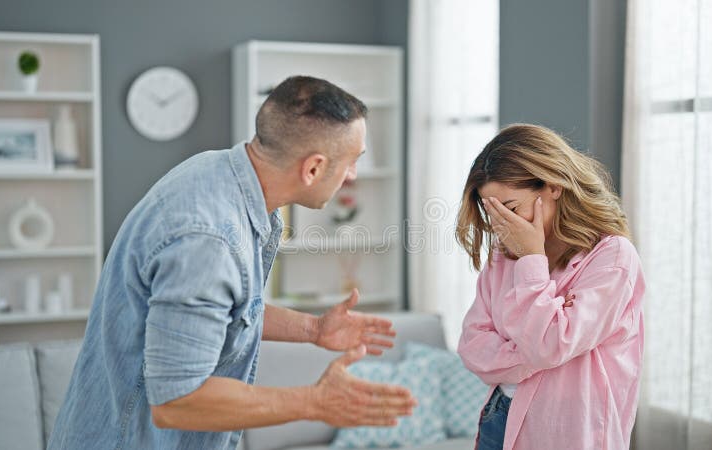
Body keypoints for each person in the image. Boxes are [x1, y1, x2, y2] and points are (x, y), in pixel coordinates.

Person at [48, 76, 416, 449]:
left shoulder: (217, 175)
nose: (352, 175)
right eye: (351, 162)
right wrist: (316, 402)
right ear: (313, 169)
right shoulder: (208, 240)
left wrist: (313, 329)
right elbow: (177, 401)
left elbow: (226, 308)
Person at [455, 124, 645, 450]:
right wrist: (534, 355)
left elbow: (549, 345)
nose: (501, 225)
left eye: (511, 208)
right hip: (499, 418)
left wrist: (532, 258)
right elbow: (473, 347)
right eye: (492, 213)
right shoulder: (503, 257)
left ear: (553, 186)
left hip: (569, 432)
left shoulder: (612, 258)